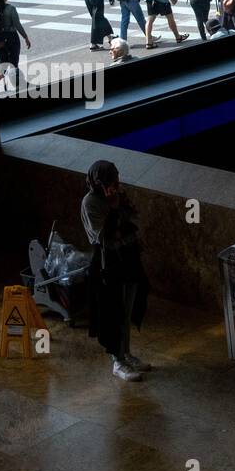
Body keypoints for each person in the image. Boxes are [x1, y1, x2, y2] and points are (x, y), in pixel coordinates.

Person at [81, 161, 151, 383]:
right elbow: (103, 237)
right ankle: (117, 360)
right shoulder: (90, 202)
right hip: (107, 265)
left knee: (127, 310)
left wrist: (122, 217)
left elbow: (132, 220)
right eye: (110, 182)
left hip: (127, 259)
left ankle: (126, 353)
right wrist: (114, 210)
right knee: (114, 312)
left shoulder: (118, 195)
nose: (115, 186)